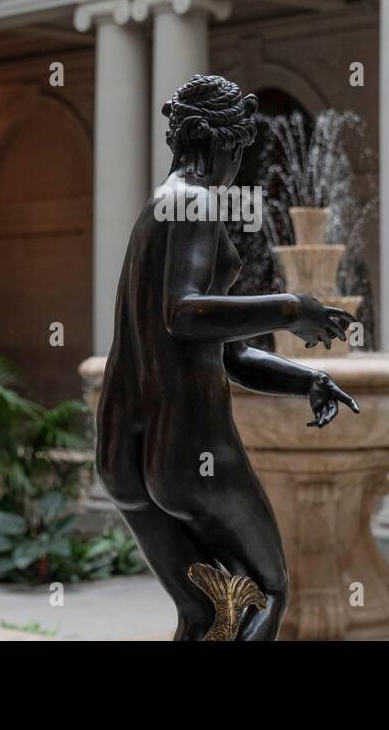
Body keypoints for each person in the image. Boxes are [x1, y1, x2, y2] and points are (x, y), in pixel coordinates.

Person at [94, 74, 359, 641]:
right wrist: (291, 308)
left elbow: (230, 354)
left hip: (124, 451)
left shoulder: (158, 207)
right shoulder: (194, 201)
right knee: (267, 591)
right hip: (188, 448)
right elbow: (184, 314)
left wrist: (306, 379)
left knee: (208, 612)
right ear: (227, 143)